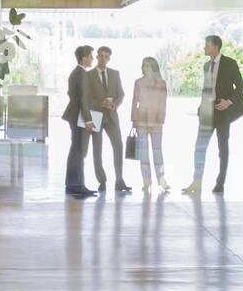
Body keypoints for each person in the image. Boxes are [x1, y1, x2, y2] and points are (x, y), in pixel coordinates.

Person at [182, 34, 243, 197]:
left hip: (223, 112)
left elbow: (240, 87)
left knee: (222, 148)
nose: (204, 48)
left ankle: (220, 183)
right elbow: (207, 89)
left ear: (215, 47)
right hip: (207, 112)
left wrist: (229, 102)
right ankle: (196, 182)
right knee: (200, 146)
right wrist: (201, 104)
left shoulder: (230, 63)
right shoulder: (206, 66)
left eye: (206, 45)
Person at [86, 45, 130, 193]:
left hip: (112, 115)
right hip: (96, 115)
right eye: (101, 56)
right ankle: (102, 180)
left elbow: (121, 94)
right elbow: (85, 98)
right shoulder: (89, 75)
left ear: (109, 59)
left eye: (106, 56)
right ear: (97, 57)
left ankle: (119, 180)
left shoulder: (115, 74)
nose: (103, 59)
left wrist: (115, 104)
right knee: (97, 148)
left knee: (118, 145)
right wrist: (100, 103)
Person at [62, 45, 98, 198]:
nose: (92, 59)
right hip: (79, 116)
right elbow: (83, 100)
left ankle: (72, 184)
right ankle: (77, 185)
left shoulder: (75, 73)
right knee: (79, 150)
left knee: (75, 149)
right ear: (84, 58)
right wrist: (88, 120)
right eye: (91, 56)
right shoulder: (82, 74)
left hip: (74, 115)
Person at [131, 57, 169, 194]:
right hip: (141, 120)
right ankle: (146, 180)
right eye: (144, 65)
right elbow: (134, 102)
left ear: (154, 67)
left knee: (157, 151)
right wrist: (134, 119)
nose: (145, 68)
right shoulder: (138, 83)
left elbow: (163, 102)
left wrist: (161, 117)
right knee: (143, 153)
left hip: (157, 121)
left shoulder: (161, 83)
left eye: (148, 66)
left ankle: (161, 179)